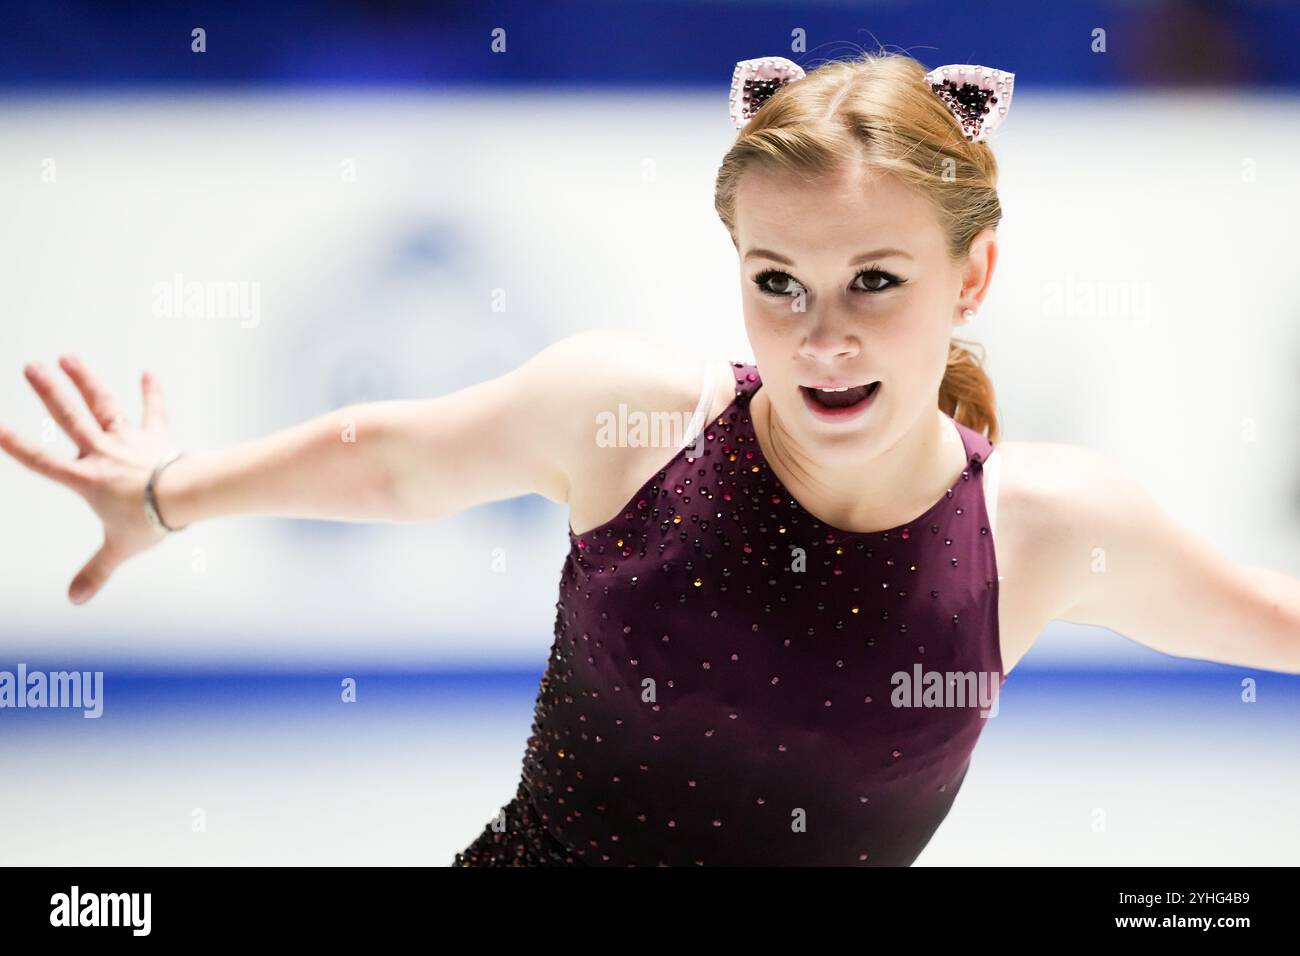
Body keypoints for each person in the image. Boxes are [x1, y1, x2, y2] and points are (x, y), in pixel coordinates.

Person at [1, 51, 1296, 866]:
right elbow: (392, 459)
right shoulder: (634, 420)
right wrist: (167, 494)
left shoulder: (1039, 526)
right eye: (776, 280)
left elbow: (1269, 623)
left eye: (875, 283)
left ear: (975, 277)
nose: (823, 335)